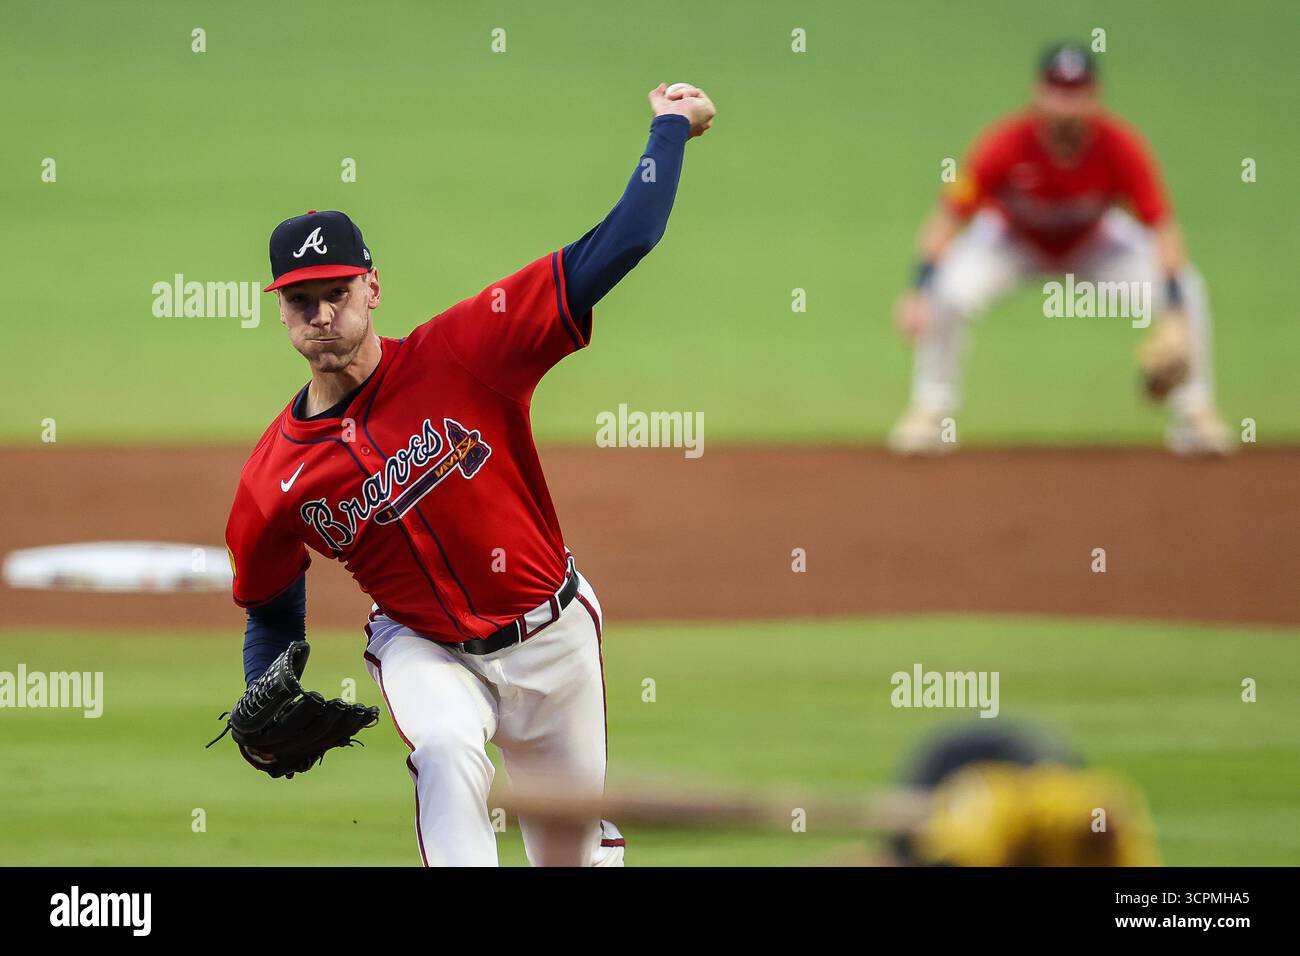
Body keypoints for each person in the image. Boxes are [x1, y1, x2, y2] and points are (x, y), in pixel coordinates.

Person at [221, 83, 716, 866]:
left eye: (338, 293)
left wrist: (670, 130)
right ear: (280, 315)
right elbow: (272, 608)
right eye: (302, 301)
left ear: (372, 289)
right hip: (428, 648)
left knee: (572, 854)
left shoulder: (467, 351)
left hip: (554, 641)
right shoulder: (272, 477)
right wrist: (262, 686)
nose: (322, 314)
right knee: (448, 750)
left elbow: (625, 238)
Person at [890, 42, 1230, 455]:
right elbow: (947, 219)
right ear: (1038, 92)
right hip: (1011, 241)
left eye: (1077, 91)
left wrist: (1173, 312)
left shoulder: (1120, 145)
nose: (1067, 103)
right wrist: (917, 290)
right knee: (947, 292)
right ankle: (929, 411)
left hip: (1094, 242)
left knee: (1188, 290)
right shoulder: (1005, 143)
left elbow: (1163, 228)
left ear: (1096, 95)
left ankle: (1195, 414)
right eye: (1058, 91)